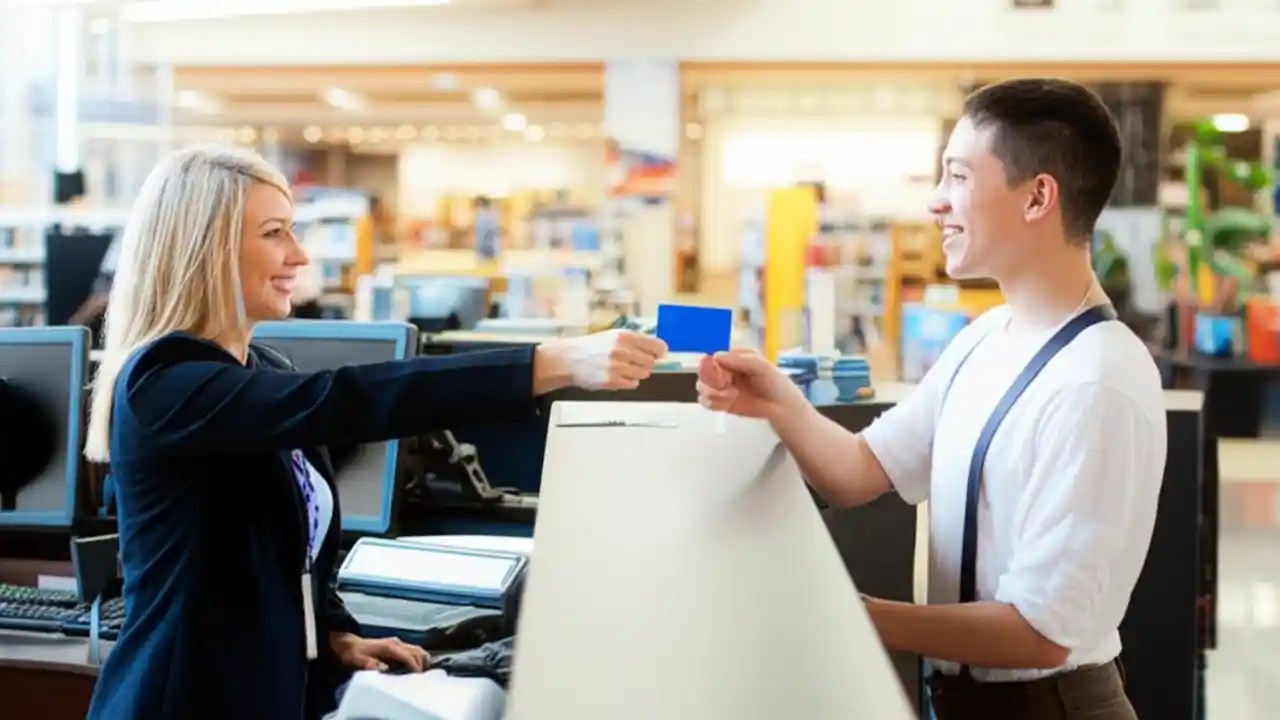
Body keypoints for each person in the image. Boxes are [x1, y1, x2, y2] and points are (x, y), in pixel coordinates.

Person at [82, 145, 668, 720]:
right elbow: (348, 402)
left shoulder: (262, 370)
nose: (299, 255)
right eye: (274, 233)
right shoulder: (164, 384)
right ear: (204, 250)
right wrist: (549, 364)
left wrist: (334, 637)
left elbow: (284, 550)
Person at [697, 78, 1166, 720]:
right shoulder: (986, 338)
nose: (935, 204)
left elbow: (1040, 634)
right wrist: (778, 401)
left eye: (958, 177)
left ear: (1038, 197)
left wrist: (847, 613)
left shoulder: (1095, 382)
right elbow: (862, 469)